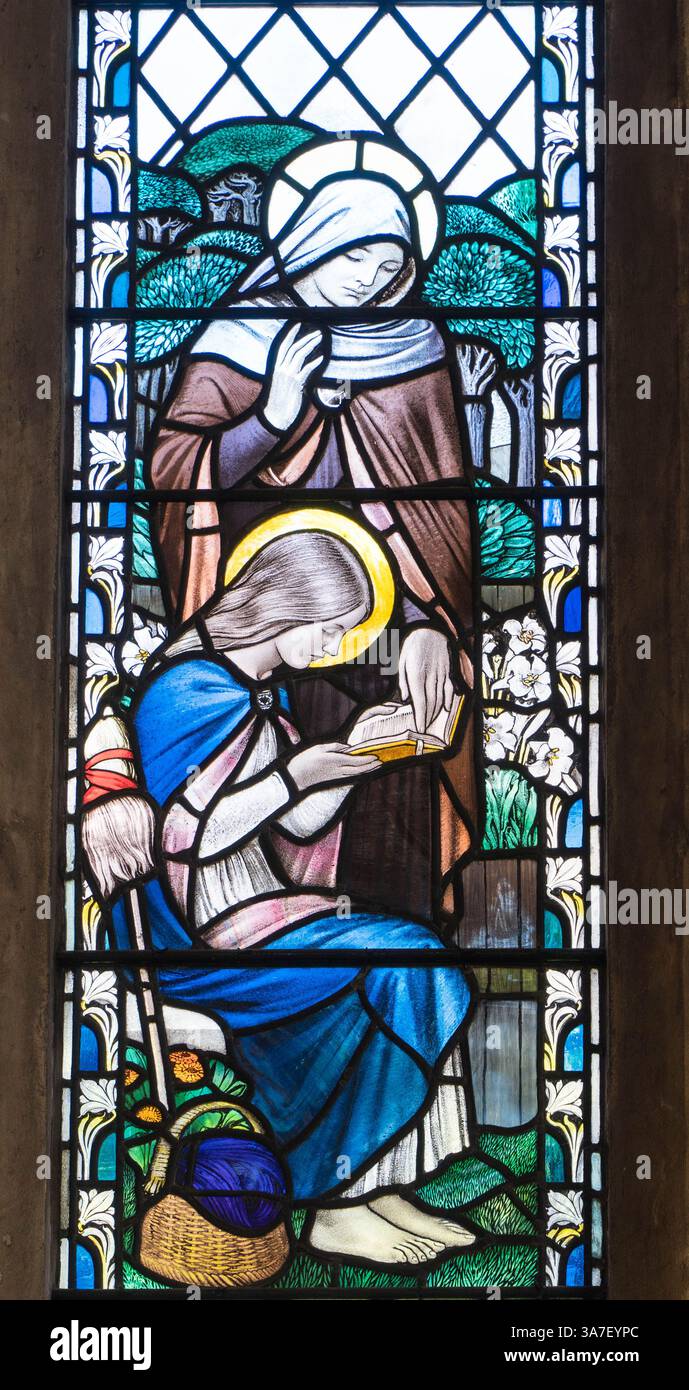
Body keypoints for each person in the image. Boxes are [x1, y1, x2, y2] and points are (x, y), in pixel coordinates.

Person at [113, 527, 476, 1266]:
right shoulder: (186, 688)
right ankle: (331, 1202)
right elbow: (187, 837)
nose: (341, 646)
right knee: (407, 962)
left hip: (250, 908)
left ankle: (372, 1186)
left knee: (412, 960)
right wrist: (297, 774)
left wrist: (362, 754)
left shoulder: (251, 689)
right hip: (191, 936)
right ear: (287, 605)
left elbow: (297, 820)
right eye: (334, 629)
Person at [148, 163, 477, 920]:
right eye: (355, 254)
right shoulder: (239, 337)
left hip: (384, 635)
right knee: (262, 800)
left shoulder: (413, 348)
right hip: (270, 627)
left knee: (392, 796)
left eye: (391, 266)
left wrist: (431, 627)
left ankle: (397, 954)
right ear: (314, 241)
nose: (369, 280)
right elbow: (172, 472)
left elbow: (437, 520)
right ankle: (257, 946)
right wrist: (272, 415)